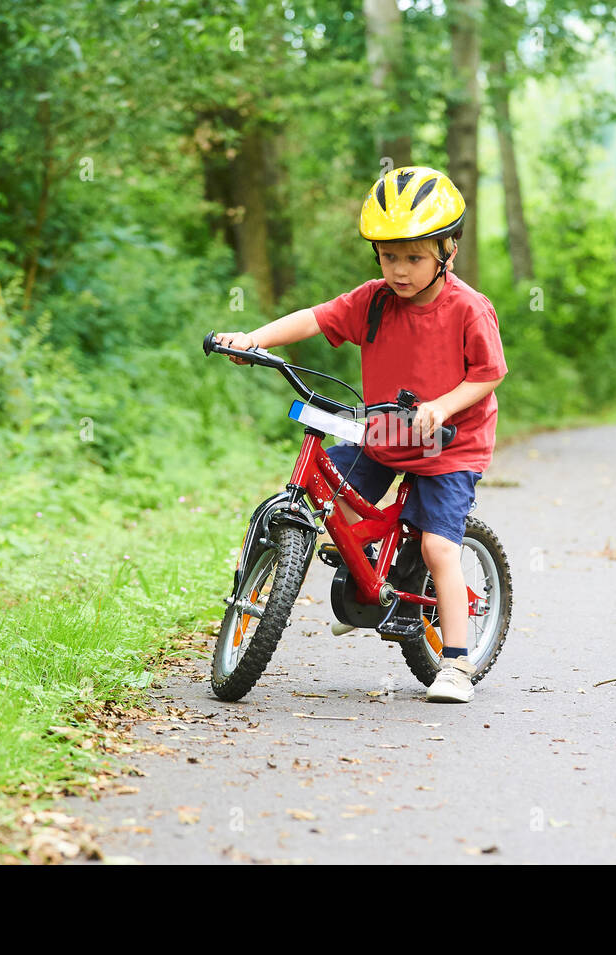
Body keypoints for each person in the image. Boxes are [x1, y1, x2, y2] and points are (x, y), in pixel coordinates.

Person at [214, 165, 507, 703]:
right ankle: (373, 587)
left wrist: (442, 406)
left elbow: (488, 374)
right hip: (389, 434)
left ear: (449, 252)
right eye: (389, 255)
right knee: (337, 506)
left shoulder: (467, 308)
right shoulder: (374, 301)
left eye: (414, 257)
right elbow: (315, 318)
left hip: (449, 446)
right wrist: (254, 339)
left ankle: (458, 665)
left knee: (441, 547)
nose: (399, 269)